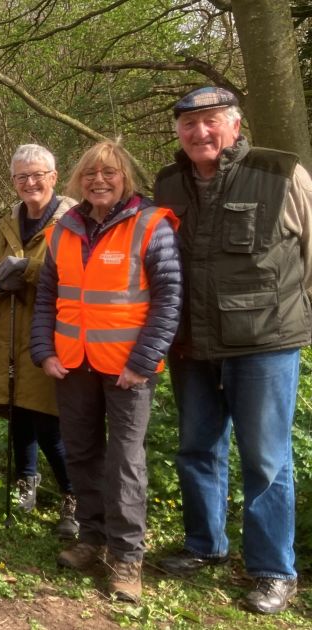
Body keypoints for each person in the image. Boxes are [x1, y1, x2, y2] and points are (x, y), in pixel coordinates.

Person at [153, 87, 312, 614]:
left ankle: (272, 570)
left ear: (235, 125)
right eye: (189, 125)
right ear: (178, 132)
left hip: (264, 342)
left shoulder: (280, 172)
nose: (200, 133)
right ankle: (205, 547)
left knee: (266, 459)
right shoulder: (168, 183)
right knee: (197, 447)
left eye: (211, 122)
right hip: (192, 341)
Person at [30, 140, 181, 603]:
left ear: (126, 178)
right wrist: (43, 350)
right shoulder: (64, 231)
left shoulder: (151, 225)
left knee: (125, 463)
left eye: (109, 173)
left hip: (127, 370)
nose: (99, 180)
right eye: (91, 173)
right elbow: (46, 299)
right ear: (78, 180)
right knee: (82, 453)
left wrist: (142, 361)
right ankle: (92, 540)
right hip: (72, 364)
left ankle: (126, 557)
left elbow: (169, 298)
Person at [0, 144, 78, 538]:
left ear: (54, 177)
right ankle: (27, 481)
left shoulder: (72, 221)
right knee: (18, 411)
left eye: (38, 175)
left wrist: (32, 271)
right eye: (22, 176)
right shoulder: (5, 223)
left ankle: (74, 496)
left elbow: (76, 275)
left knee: (49, 419)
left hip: (53, 334)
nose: (30, 183)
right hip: (8, 331)